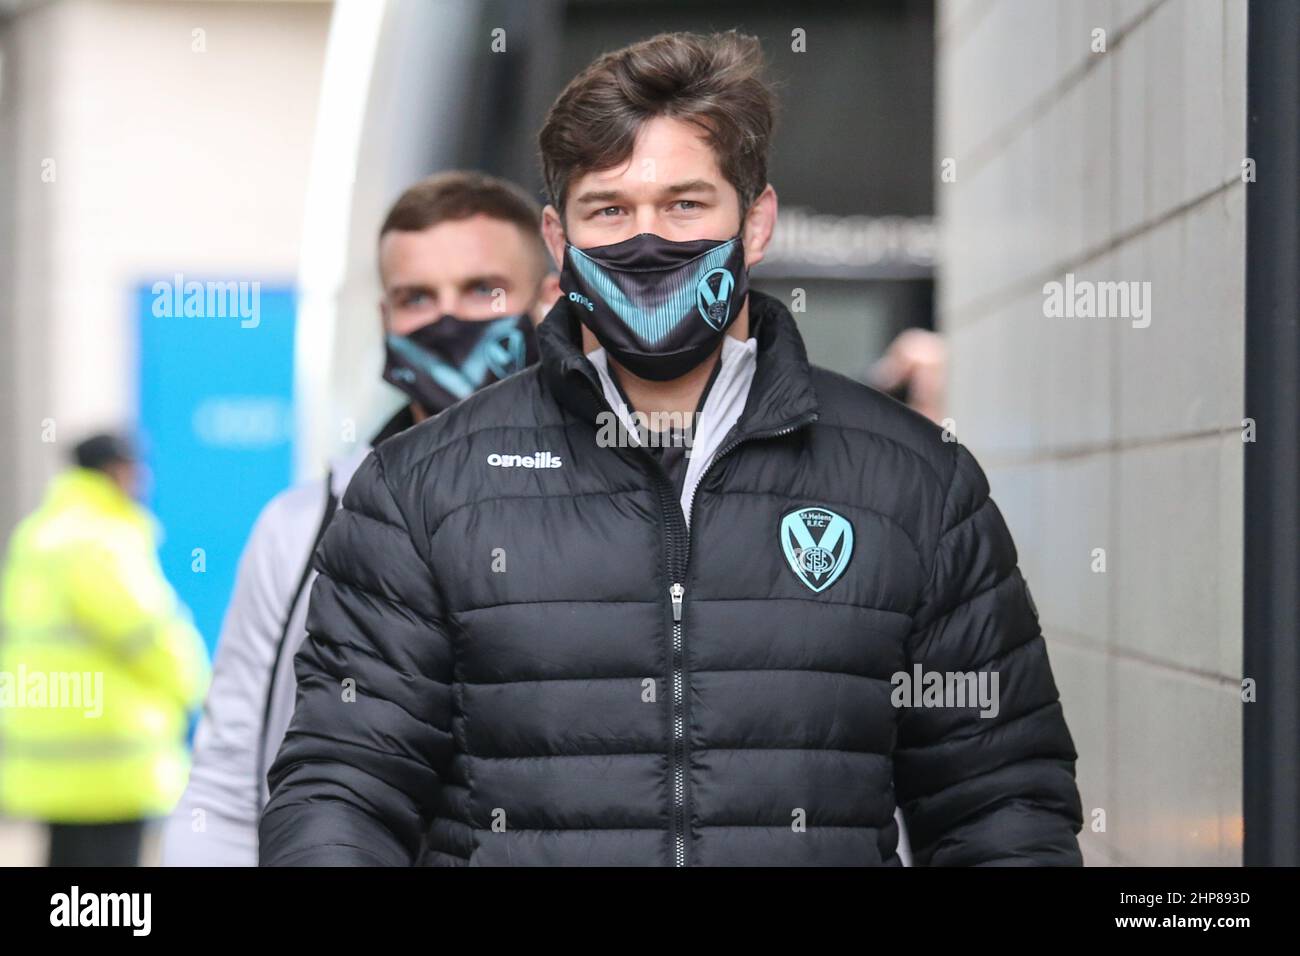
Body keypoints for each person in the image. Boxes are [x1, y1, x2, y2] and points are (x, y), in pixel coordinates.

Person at [260, 31, 1083, 867]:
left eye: (686, 205)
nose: (646, 242)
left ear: (755, 223)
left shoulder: (915, 481)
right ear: (558, 239)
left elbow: (1000, 804)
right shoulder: (420, 488)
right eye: (610, 210)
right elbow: (344, 786)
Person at [161, 171, 559, 865]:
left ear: (548, 303)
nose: (447, 321)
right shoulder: (304, 523)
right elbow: (229, 784)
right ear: (385, 320)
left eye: (480, 291)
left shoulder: (626, 505)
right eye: (417, 298)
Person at [0, 432, 209, 866]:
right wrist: (198, 691)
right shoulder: (102, 540)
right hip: (111, 756)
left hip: (51, 752)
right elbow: (150, 634)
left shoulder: (36, 535)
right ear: (118, 471)